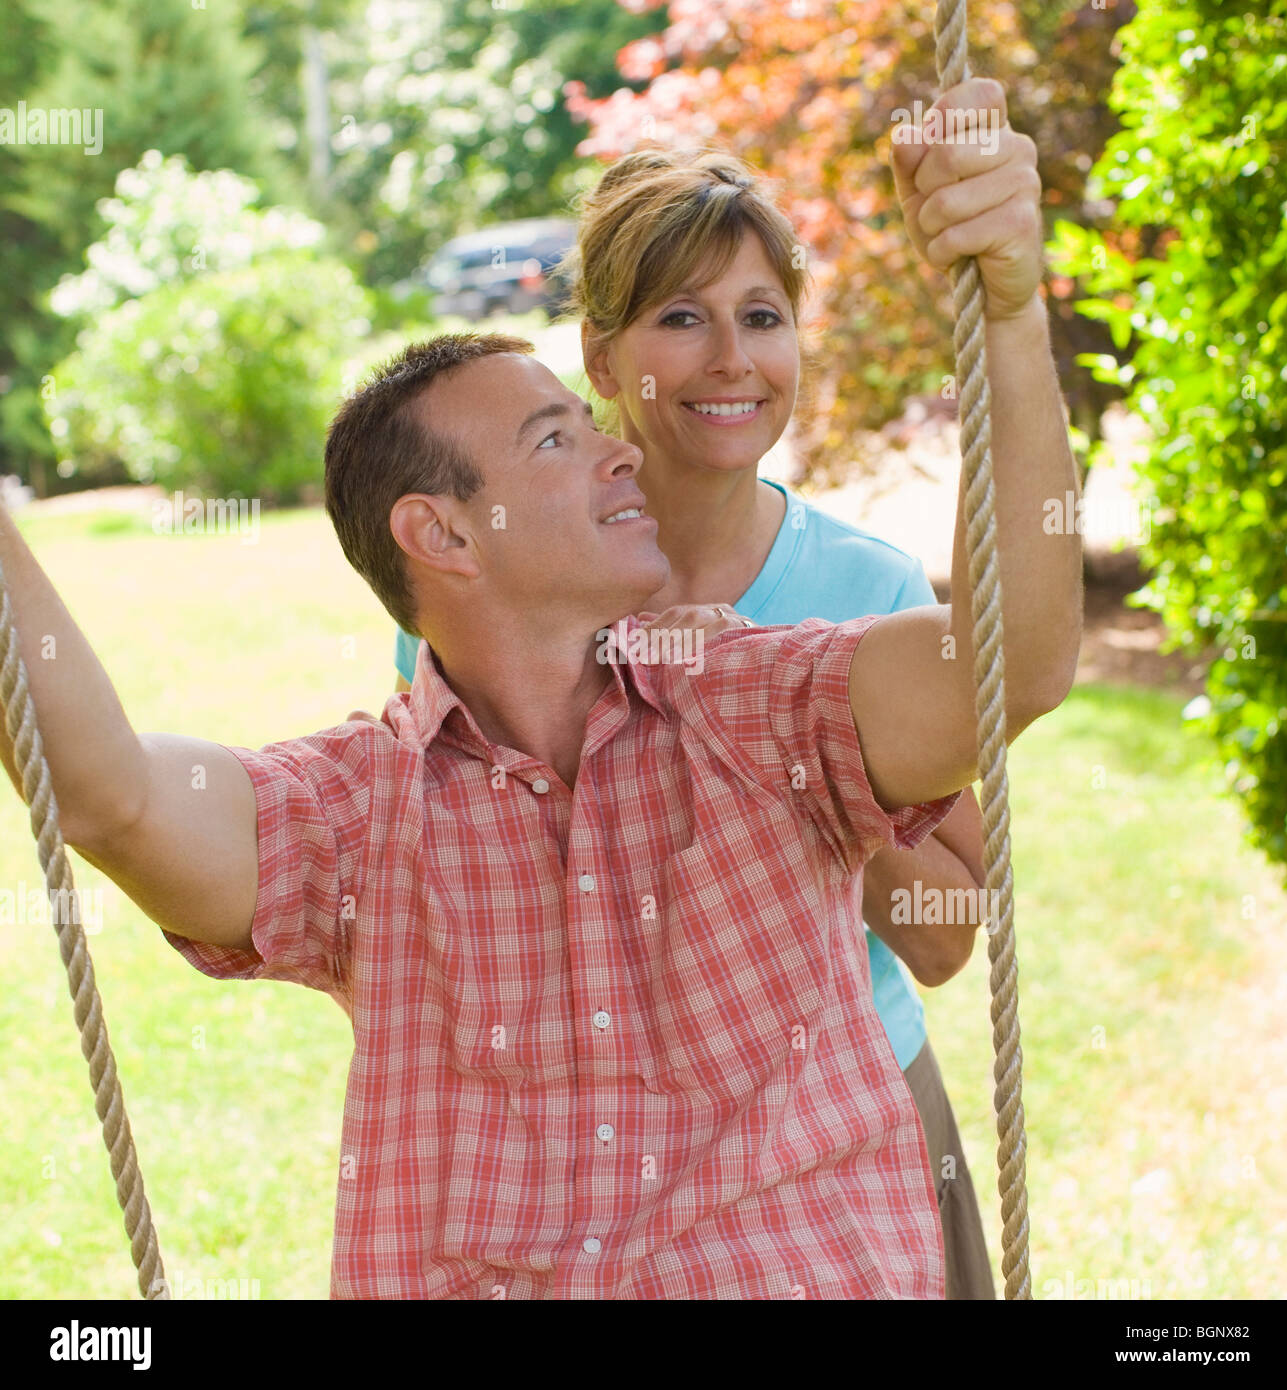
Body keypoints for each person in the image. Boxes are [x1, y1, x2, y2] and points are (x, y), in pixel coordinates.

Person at [0, 78, 1081, 1299]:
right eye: (558, 437)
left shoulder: (763, 697)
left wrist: (1003, 308)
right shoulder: (364, 811)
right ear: (443, 537)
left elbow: (1015, 658)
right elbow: (111, 797)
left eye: (763, 315)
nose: (624, 445)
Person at [392, 124, 1020, 1295]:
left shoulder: (862, 592)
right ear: (600, 351)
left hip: (845, 1130)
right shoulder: (494, 583)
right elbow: (462, 912)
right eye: (681, 318)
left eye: (763, 316)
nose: (732, 358)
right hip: (592, 1153)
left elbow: (940, 938)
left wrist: (771, 719)